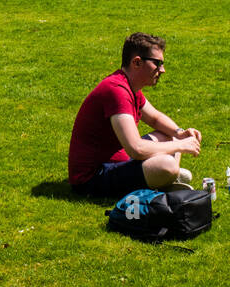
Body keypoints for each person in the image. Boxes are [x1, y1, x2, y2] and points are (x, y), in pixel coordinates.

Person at [68, 33, 202, 198]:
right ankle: (164, 178)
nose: (162, 70)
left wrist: (179, 133)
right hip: (92, 180)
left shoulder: (129, 86)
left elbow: (155, 118)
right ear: (137, 62)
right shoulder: (116, 91)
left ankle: (164, 178)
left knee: (170, 136)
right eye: (157, 63)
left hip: (116, 163)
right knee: (167, 165)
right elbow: (136, 149)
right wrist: (181, 146)